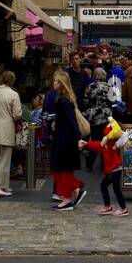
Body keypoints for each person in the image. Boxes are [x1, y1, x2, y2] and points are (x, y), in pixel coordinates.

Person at [50, 71, 87, 210]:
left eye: (56, 81)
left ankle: (67, 198)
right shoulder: (64, 99)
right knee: (61, 169)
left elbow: (72, 121)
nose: (54, 83)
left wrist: (77, 138)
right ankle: (75, 189)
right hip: (63, 138)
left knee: (62, 169)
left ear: (62, 84)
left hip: (65, 140)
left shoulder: (63, 101)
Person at [81, 120, 130, 216]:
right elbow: (98, 145)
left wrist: (86, 144)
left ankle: (123, 209)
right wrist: (86, 144)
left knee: (116, 189)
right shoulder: (109, 141)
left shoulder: (112, 142)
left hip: (115, 170)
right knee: (104, 186)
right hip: (111, 170)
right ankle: (108, 207)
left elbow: (99, 145)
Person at [82, 67, 113, 172]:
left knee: (94, 140)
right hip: (106, 116)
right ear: (104, 75)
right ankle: (104, 165)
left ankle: (89, 164)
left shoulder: (90, 87)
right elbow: (113, 101)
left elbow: (85, 102)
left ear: (94, 75)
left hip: (94, 116)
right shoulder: (109, 87)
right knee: (105, 140)